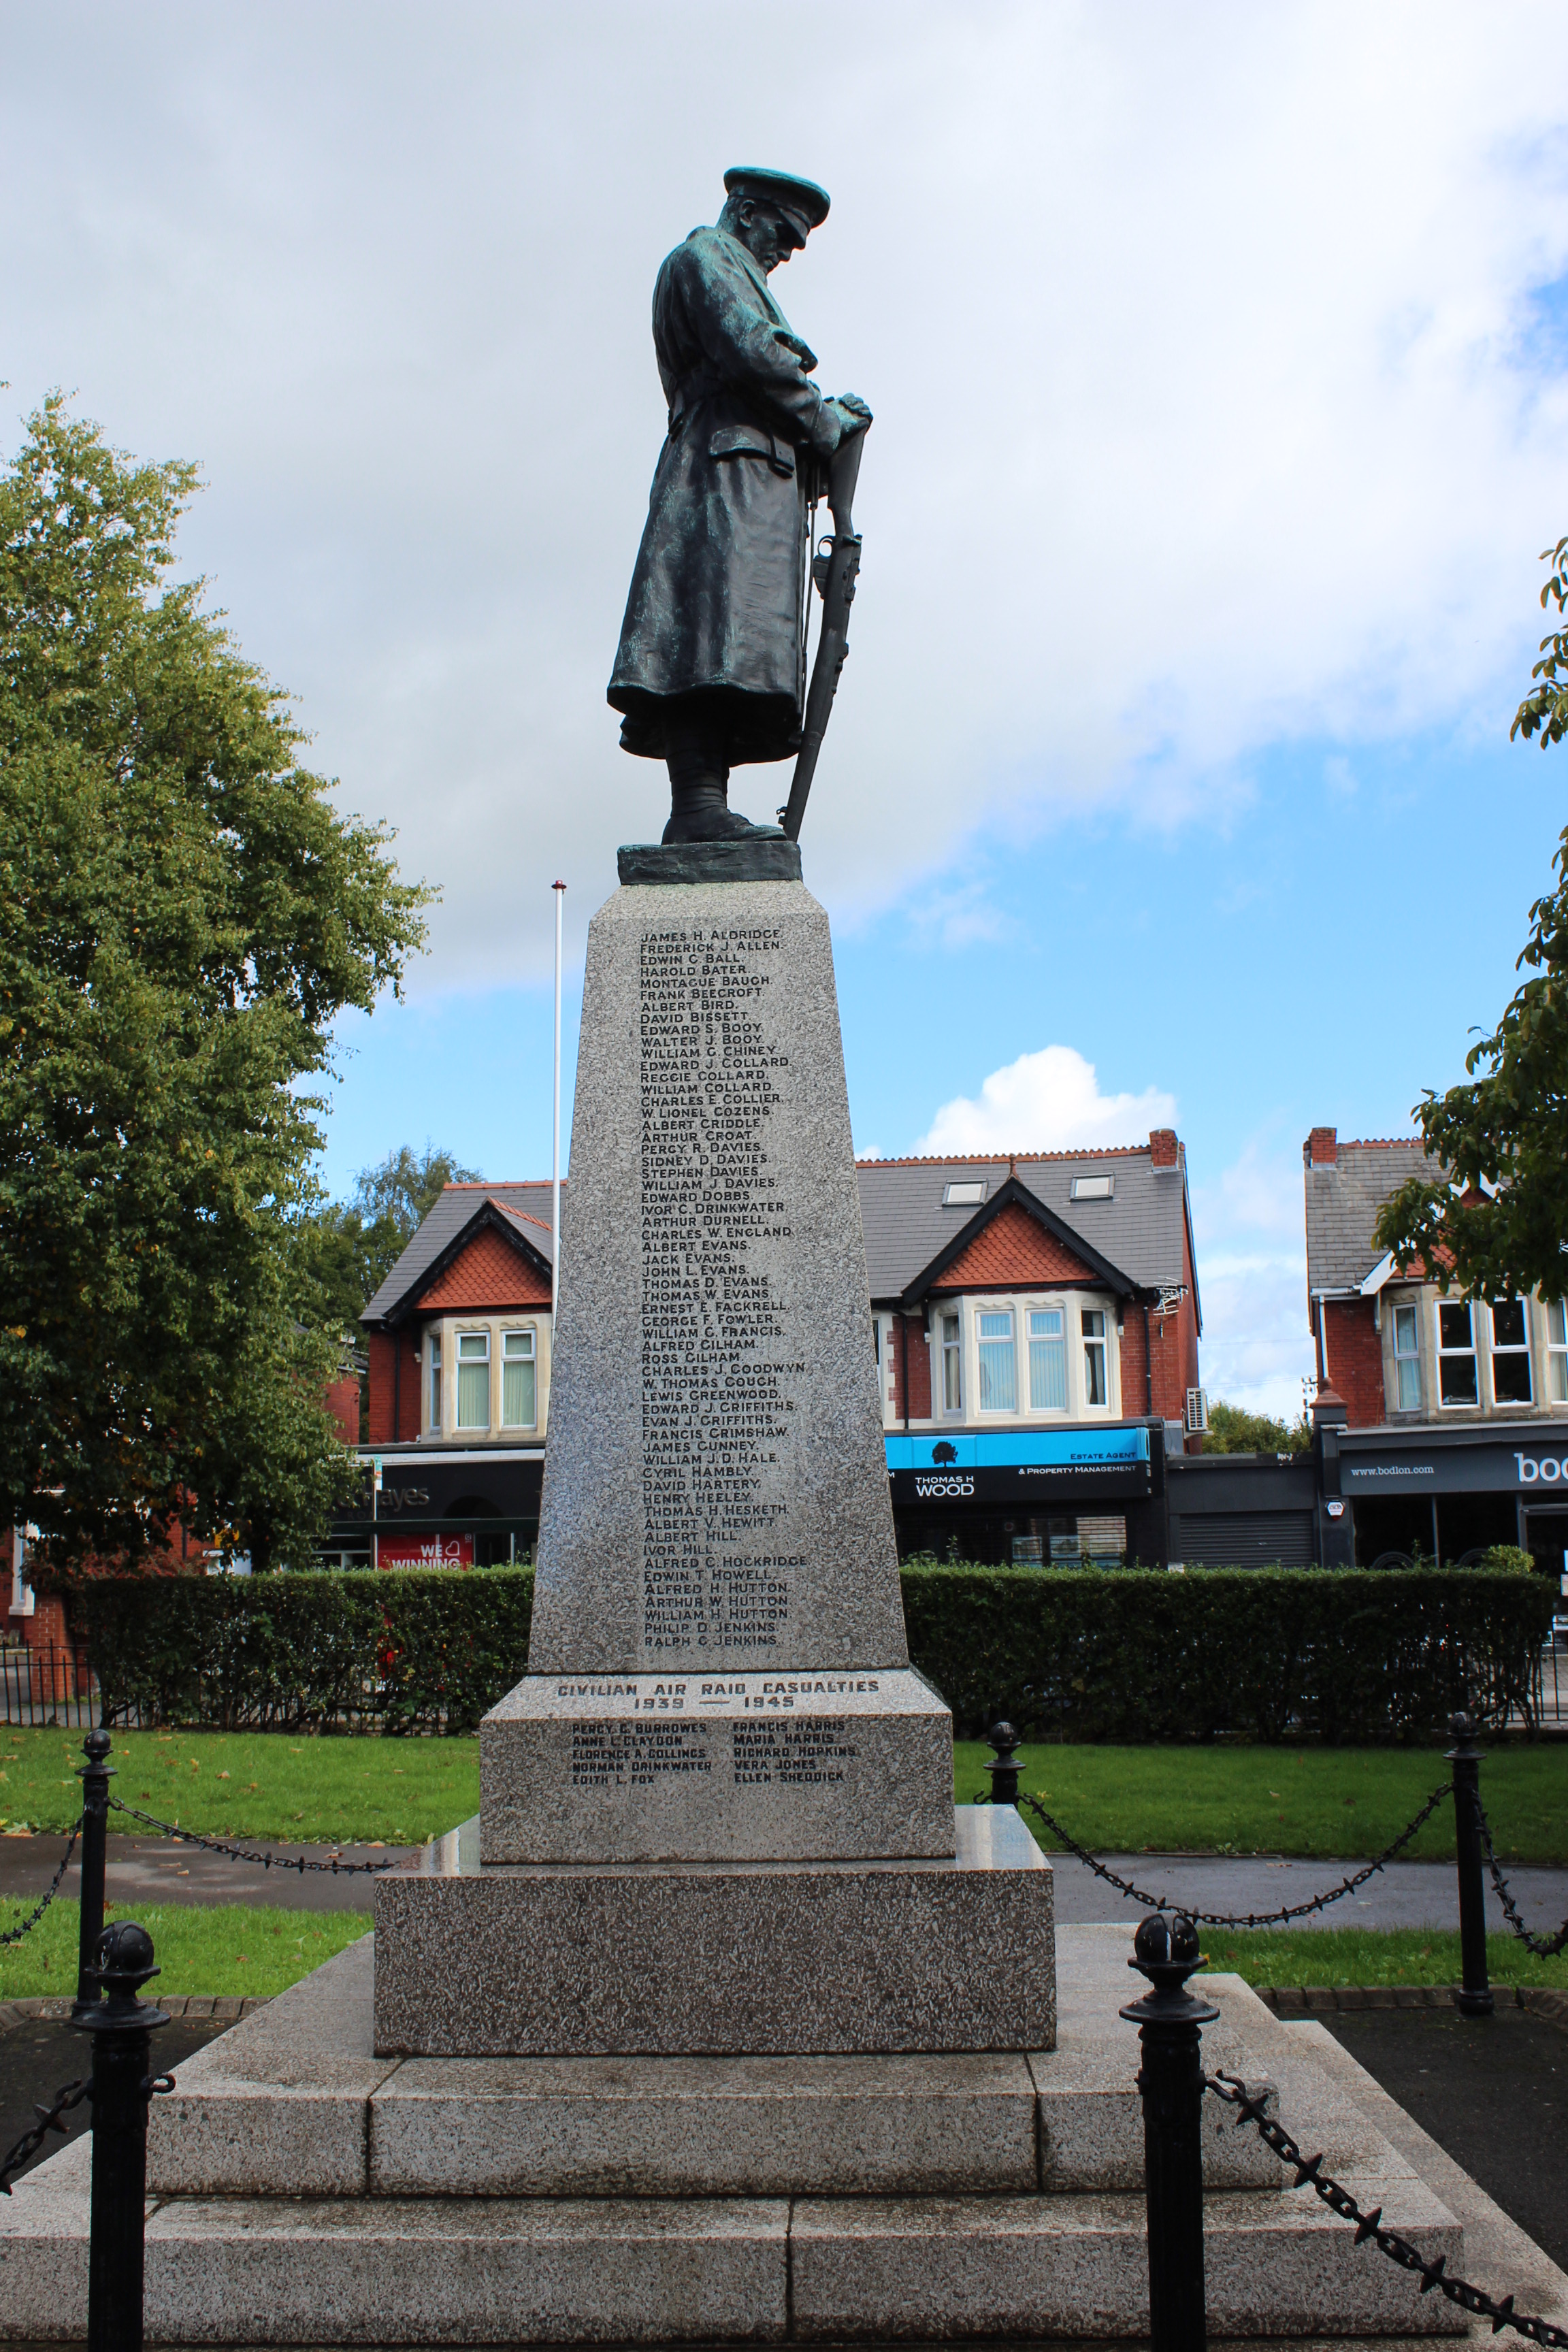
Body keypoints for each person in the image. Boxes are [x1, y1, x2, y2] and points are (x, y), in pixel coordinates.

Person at [608, 167, 870, 843]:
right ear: (746, 211)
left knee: (731, 650)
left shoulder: (730, 269)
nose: (788, 251)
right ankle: (697, 807)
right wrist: (822, 415)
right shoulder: (702, 259)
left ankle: (704, 806)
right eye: (783, 233)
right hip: (717, 484)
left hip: (752, 492)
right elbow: (754, 354)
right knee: (703, 643)